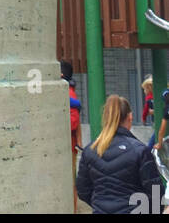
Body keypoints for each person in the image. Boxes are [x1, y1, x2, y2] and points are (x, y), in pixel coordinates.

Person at [76, 94, 163, 214]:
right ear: (130, 117)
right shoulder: (140, 150)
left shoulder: (90, 150)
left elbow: (82, 190)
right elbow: (156, 192)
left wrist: (101, 204)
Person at [68, 78, 83, 210]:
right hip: (70, 146)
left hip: (68, 147)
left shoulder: (68, 92)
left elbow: (74, 121)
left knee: (70, 181)